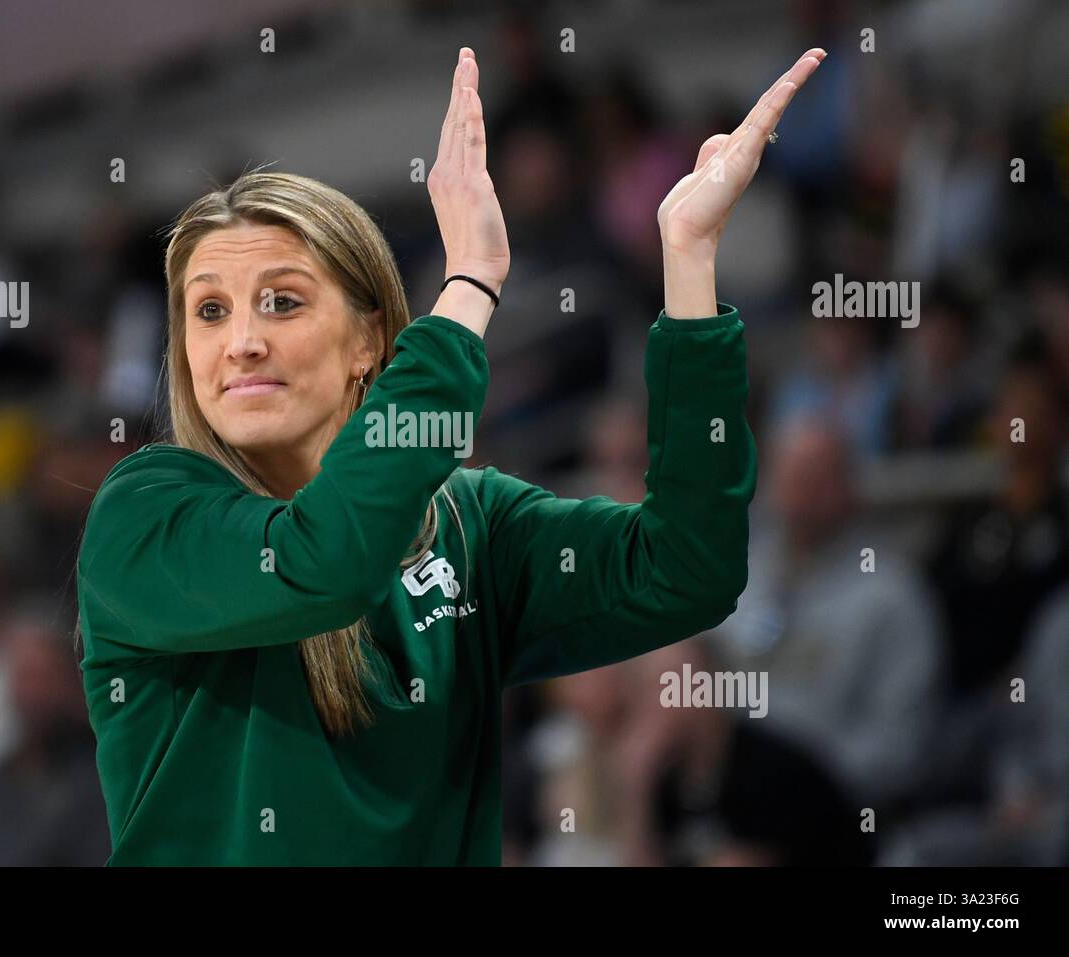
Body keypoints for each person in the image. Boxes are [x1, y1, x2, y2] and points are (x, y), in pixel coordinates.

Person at [75, 46, 825, 864]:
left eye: (281, 302)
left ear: (368, 342)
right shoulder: (145, 512)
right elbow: (325, 561)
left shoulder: (471, 524)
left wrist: (688, 264)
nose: (242, 342)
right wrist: (470, 280)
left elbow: (688, 569)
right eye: (209, 312)